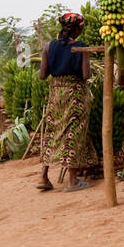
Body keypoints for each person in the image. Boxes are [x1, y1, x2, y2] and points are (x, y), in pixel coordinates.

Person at [37, 11, 96, 192]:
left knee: (52, 132)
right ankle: (72, 180)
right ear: (78, 29)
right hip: (75, 95)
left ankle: (44, 176)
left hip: (56, 94)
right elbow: (86, 76)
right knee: (73, 133)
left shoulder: (49, 46)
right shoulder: (81, 47)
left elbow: (42, 75)